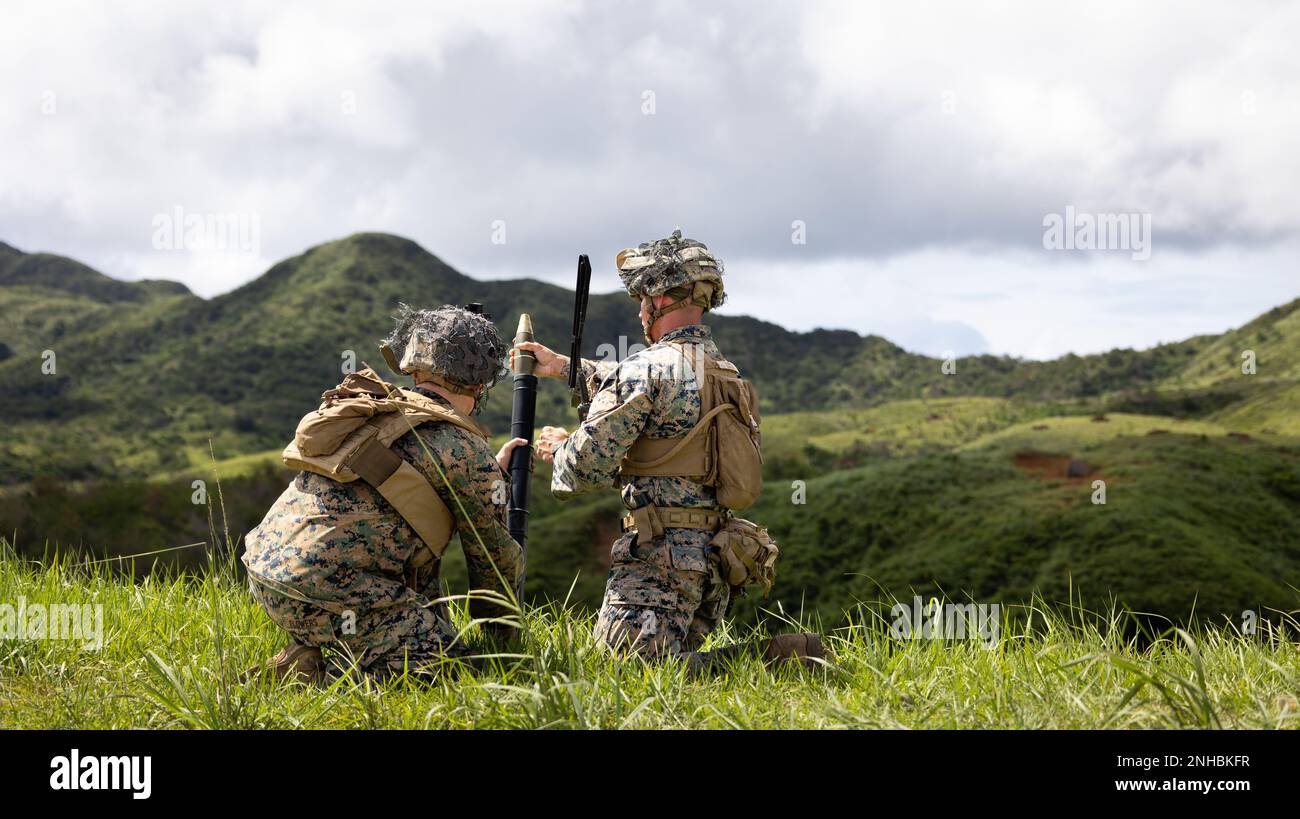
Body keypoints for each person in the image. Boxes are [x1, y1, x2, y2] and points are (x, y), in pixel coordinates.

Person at [514, 230, 824, 672]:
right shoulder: (722, 370)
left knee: (625, 674)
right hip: (713, 554)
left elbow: (583, 469)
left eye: (643, 295)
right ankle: (776, 662)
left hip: (659, 557)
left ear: (660, 299)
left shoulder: (645, 369)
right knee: (667, 673)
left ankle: (785, 657)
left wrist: (563, 447)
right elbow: (657, 399)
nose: (640, 307)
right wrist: (565, 367)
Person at [242, 304, 527, 684]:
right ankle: (315, 678)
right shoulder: (462, 448)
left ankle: (317, 650)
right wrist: (503, 643)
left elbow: (409, 510)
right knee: (456, 674)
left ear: (414, 368)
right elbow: (494, 561)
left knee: (410, 610)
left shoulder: (381, 412)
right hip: (327, 591)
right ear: (479, 383)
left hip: (265, 573)